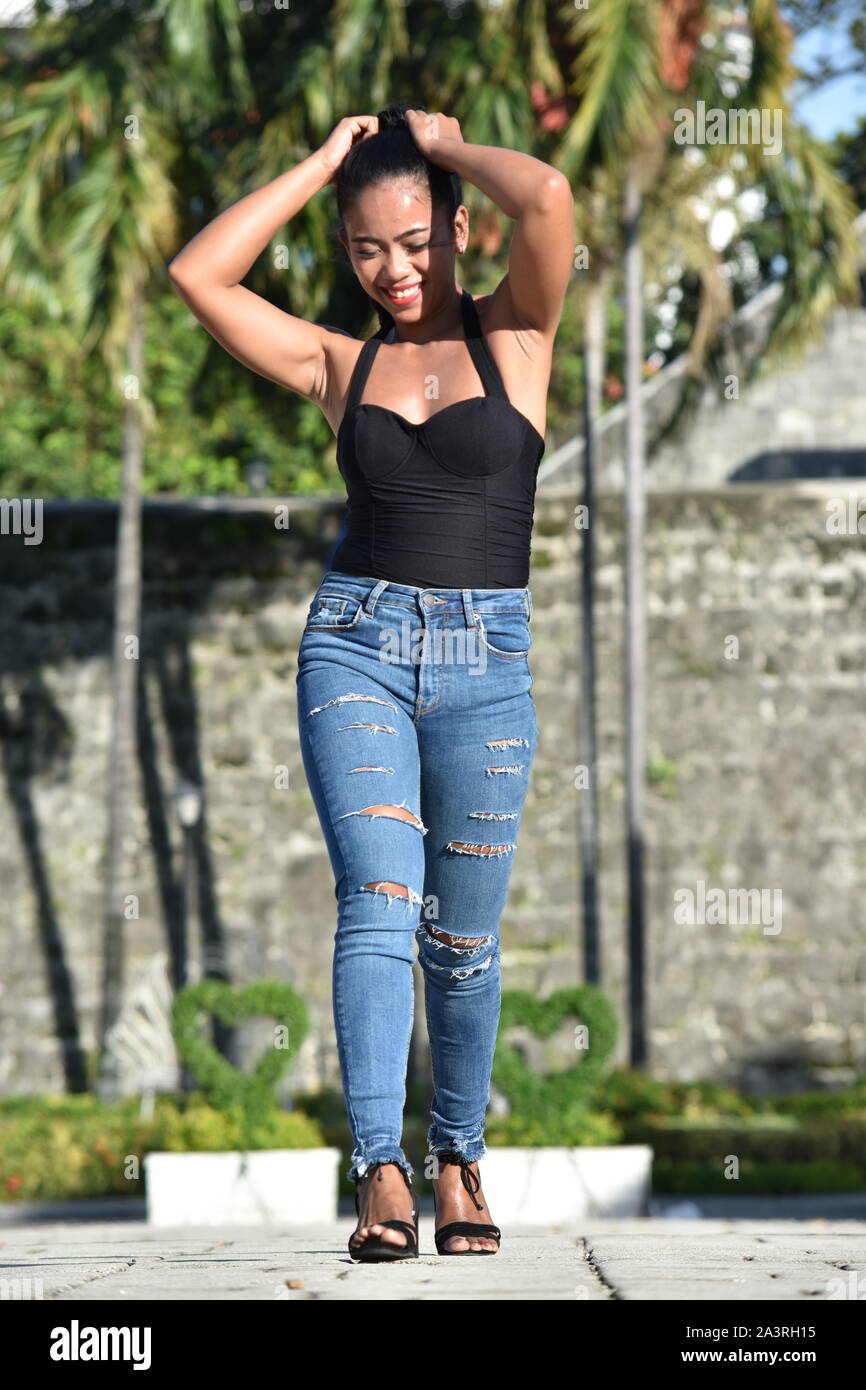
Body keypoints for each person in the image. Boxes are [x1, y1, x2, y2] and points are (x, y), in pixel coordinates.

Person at [168, 102, 573, 1260]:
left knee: (463, 942)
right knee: (377, 904)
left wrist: (436, 147)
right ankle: (380, 1173)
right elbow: (201, 273)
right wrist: (322, 165)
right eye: (364, 248)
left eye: (414, 240)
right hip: (356, 642)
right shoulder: (342, 362)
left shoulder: (520, 337)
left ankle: (459, 1160)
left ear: (456, 228)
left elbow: (544, 199)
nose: (392, 269)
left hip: (488, 664)